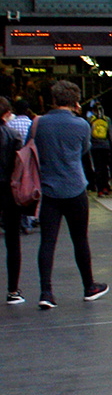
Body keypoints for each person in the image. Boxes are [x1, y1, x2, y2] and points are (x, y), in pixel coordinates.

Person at [33, 80, 107, 309]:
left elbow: (34, 147)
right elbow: (84, 150)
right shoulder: (82, 125)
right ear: (75, 101)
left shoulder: (40, 124)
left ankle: (46, 292)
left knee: (47, 241)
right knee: (80, 239)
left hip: (49, 189)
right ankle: (89, 287)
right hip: (75, 188)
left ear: (53, 99)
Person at [0, 98, 24, 304]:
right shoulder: (13, 135)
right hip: (8, 192)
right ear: (6, 113)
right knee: (12, 242)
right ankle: (13, 291)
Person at [7, 99, 36, 233]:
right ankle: (30, 219)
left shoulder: (10, 125)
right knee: (29, 187)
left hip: (16, 161)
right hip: (30, 162)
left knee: (18, 189)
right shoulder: (32, 124)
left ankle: (20, 220)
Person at [87, 103, 112, 197]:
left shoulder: (90, 120)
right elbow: (111, 134)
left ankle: (99, 189)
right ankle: (106, 187)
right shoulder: (107, 120)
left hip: (94, 147)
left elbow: (88, 134)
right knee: (105, 167)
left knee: (97, 168)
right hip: (105, 146)